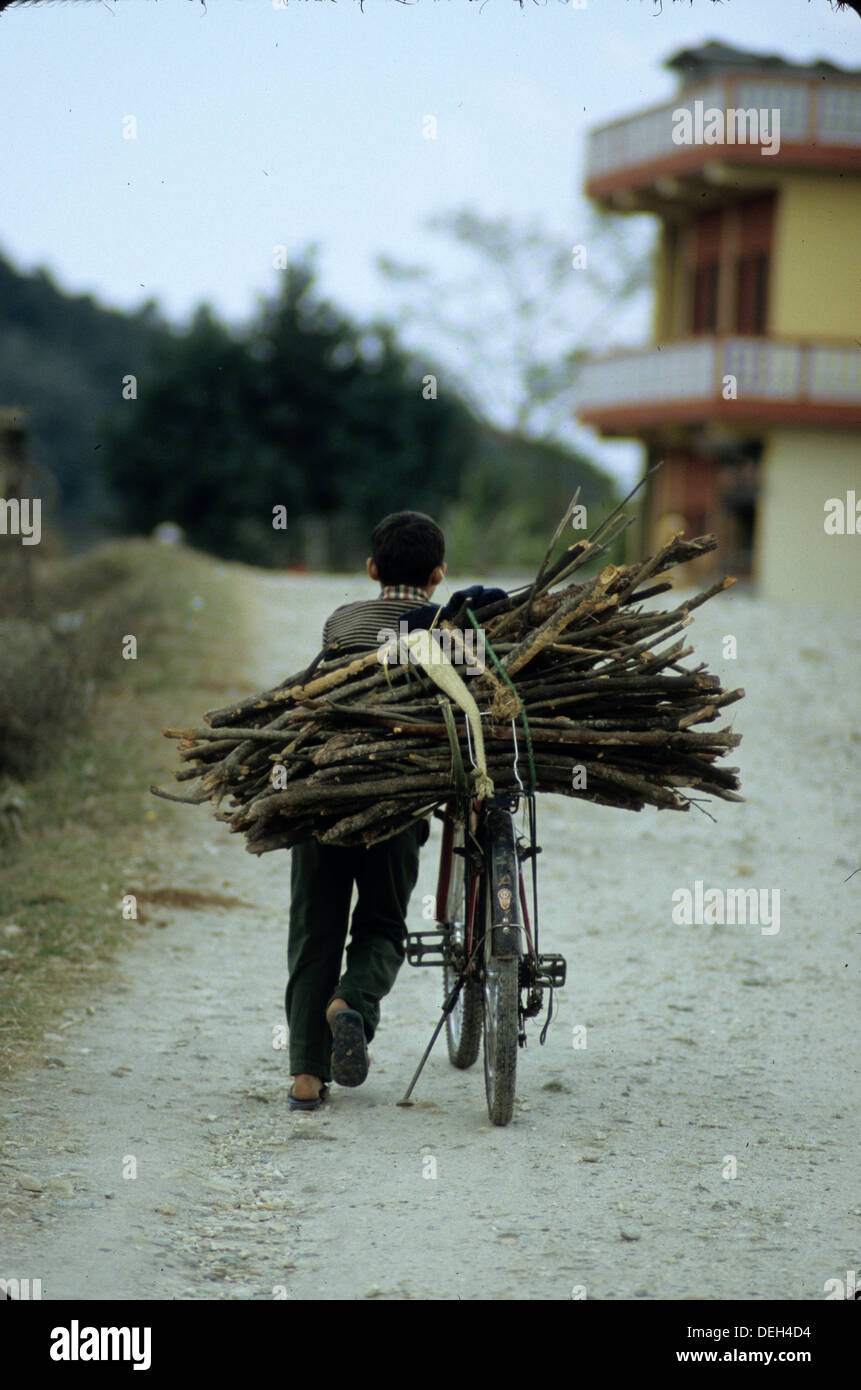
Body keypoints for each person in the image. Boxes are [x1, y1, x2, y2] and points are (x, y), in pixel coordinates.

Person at [285, 510, 506, 1111]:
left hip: (324, 793)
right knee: (382, 923)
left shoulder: (341, 620)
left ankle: (306, 1077)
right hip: (398, 799)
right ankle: (351, 1002)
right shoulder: (448, 629)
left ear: (371, 570)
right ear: (438, 575)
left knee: (315, 930)